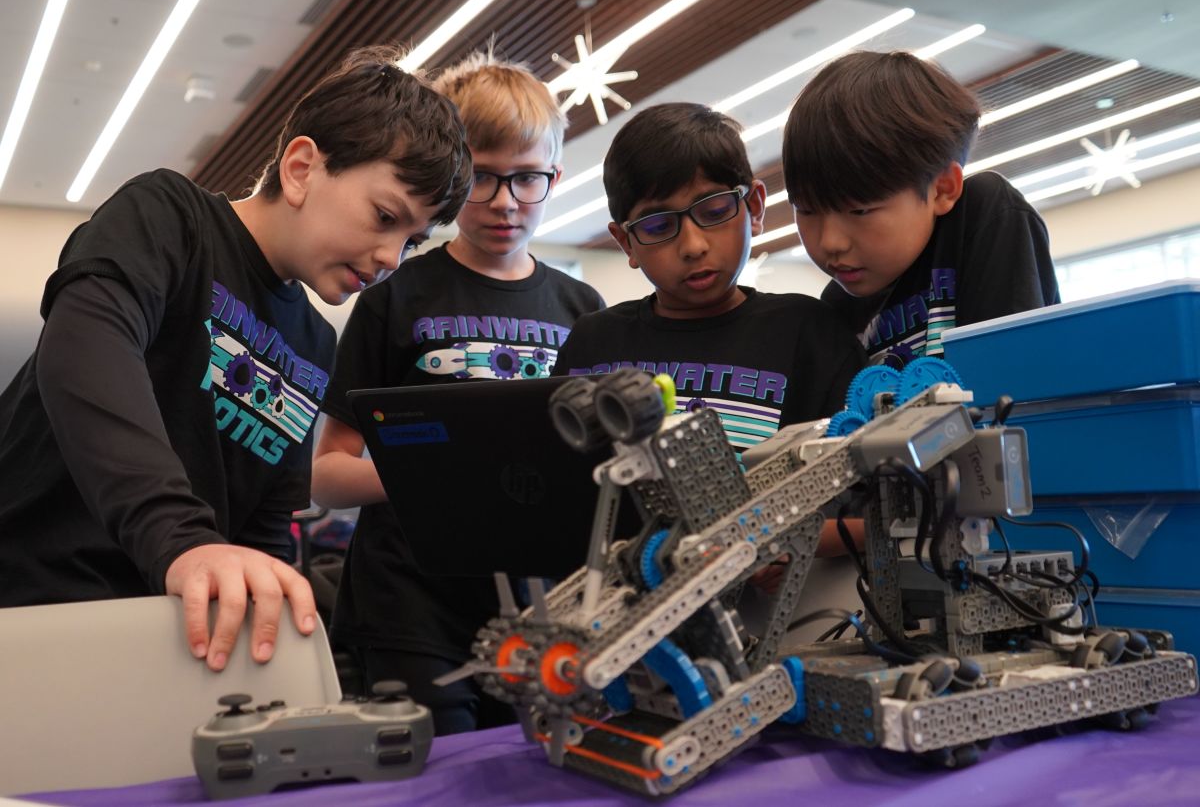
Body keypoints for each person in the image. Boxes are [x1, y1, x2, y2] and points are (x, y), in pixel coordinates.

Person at [0, 45, 471, 673]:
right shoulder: (170, 216)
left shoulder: (314, 343)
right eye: (385, 216)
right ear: (302, 168)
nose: (392, 258)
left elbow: (265, 527)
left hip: (172, 632)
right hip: (33, 603)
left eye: (412, 240)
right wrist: (183, 540)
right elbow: (85, 348)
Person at [312, 52, 604, 735]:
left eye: (527, 178)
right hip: (409, 600)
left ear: (554, 177)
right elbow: (327, 476)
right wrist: (441, 473)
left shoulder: (584, 309)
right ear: (449, 178)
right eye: (482, 177)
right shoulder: (393, 290)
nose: (505, 202)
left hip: (542, 605)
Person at [553, 102, 865, 556]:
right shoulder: (594, 342)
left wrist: (785, 545)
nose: (693, 245)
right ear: (626, 242)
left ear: (754, 207)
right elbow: (557, 494)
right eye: (658, 225)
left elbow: (861, 507)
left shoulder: (810, 332)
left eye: (715, 210)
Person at [782, 50, 1060, 369]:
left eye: (859, 211)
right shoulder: (839, 302)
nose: (831, 242)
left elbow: (1012, 383)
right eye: (806, 210)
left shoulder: (982, 215)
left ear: (942, 189)